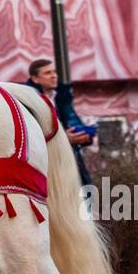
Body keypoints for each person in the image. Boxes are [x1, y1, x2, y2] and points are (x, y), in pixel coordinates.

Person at [24, 58, 94, 187]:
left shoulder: (62, 96)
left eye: (54, 72)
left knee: (83, 201)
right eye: (47, 73)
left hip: (71, 162)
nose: (54, 76)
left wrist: (84, 135)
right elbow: (31, 138)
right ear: (35, 79)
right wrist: (64, 138)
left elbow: (73, 122)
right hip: (46, 166)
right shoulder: (28, 102)